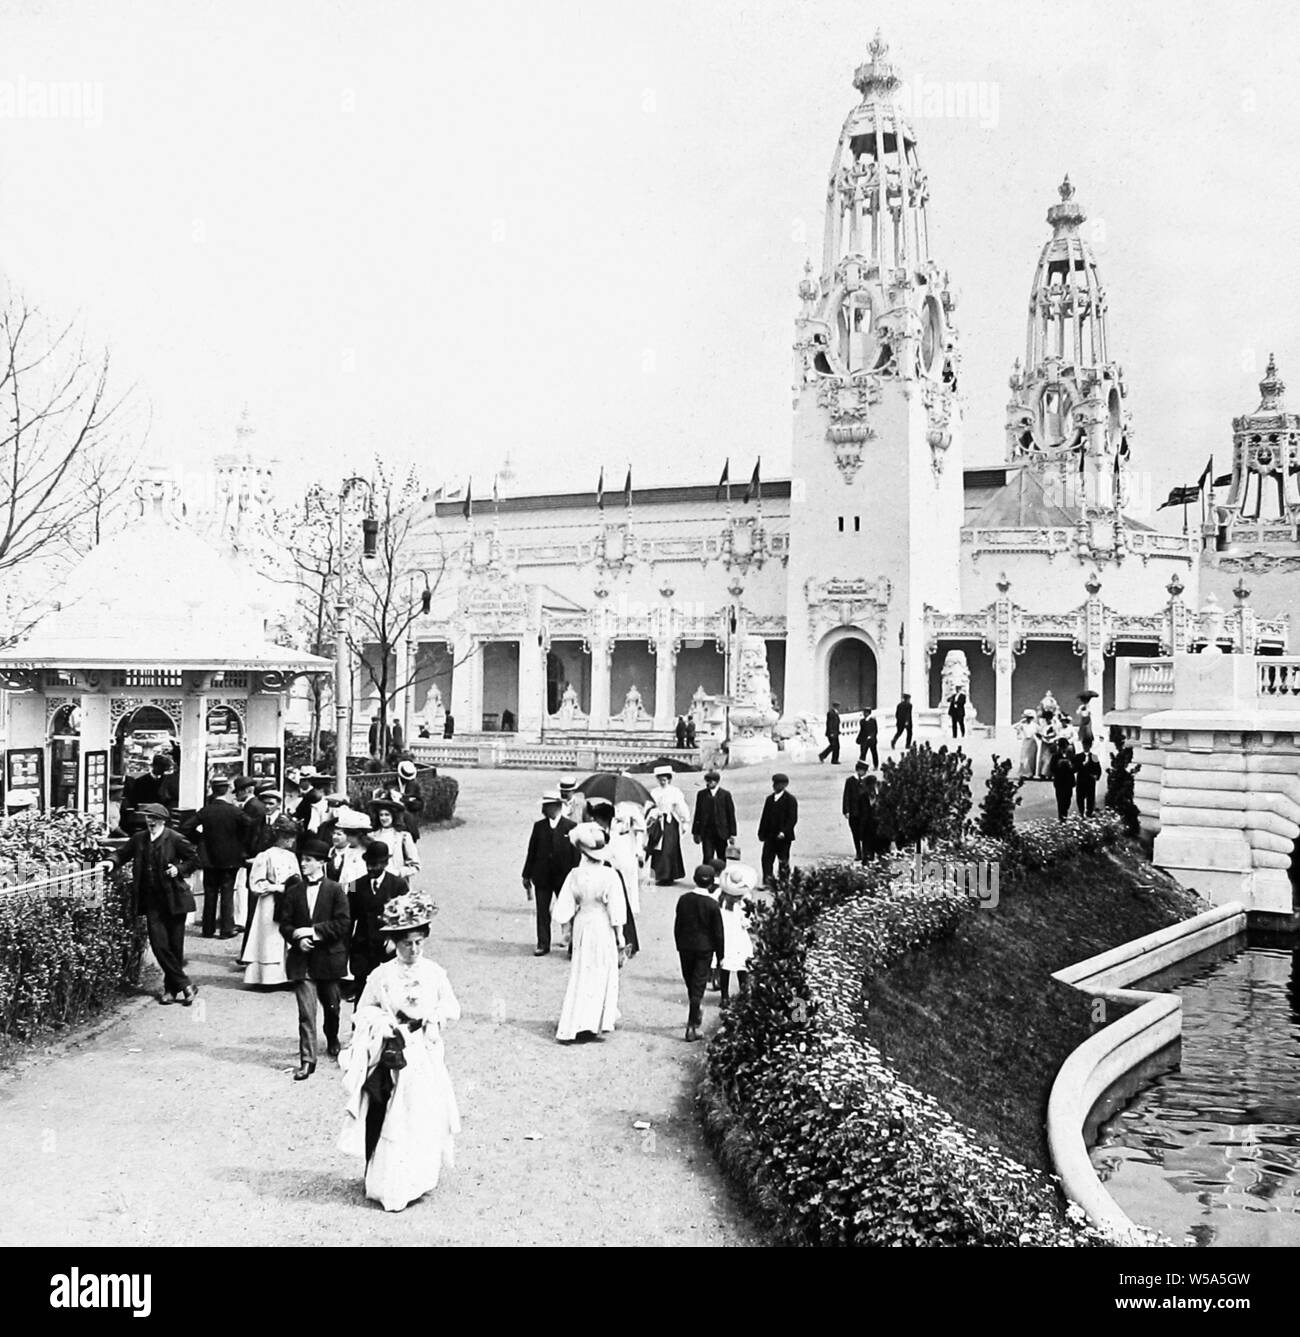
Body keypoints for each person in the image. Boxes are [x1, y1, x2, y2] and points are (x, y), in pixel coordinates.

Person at [339, 892, 460, 1212]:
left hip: (422, 1052)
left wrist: (432, 1018)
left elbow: (451, 1007)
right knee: (391, 1114)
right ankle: (388, 1183)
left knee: (420, 1113)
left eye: (419, 942)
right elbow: (362, 1011)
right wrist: (384, 1024)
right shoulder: (381, 975)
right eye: (407, 943)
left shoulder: (434, 972)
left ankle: (418, 1179)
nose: (413, 949)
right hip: (392, 1053)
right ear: (395, 942)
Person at [105, 803, 200, 1006]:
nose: (150, 822)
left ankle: (170, 990)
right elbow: (122, 853)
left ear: (163, 821)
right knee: (158, 945)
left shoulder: (174, 838)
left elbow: (194, 859)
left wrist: (179, 868)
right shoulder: (139, 839)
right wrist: (111, 862)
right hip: (152, 901)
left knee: (175, 947)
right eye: (148, 818)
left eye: (154, 818)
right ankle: (186, 984)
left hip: (175, 899)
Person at [277, 837, 350, 1080]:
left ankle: (332, 1036)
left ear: (321, 863)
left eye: (308, 860)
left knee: (333, 1007)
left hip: (328, 959)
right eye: (302, 859)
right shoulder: (294, 891)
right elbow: (285, 924)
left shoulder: (335, 890)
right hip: (302, 960)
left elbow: (343, 924)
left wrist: (314, 933)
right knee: (306, 1013)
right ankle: (307, 1060)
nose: (303, 864)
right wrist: (296, 939)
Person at [552, 823, 628, 1043]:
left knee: (582, 970)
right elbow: (616, 909)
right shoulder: (610, 875)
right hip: (602, 924)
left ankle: (578, 1020)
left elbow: (565, 905)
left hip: (583, 923)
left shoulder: (575, 874)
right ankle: (596, 1021)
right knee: (602, 969)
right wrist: (620, 936)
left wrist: (566, 929)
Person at [182, 775, 254, 939]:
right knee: (227, 892)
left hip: (209, 857)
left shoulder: (206, 811)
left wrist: (200, 840)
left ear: (212, 790)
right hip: (230, 858)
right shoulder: (235, 811)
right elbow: (249, 825)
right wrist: (239, 842)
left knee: (210, 892)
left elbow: (186, 827)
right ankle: (226, 929)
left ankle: (208, 928)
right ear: (227, 789)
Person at [241, 816, 299, 987]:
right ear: (281, 837)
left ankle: (285, 975)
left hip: (288, 901)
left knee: (285, 936)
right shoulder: (265, 856)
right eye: (289, 836)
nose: (292, 841)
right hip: (269, 903)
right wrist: (274, 887)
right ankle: (265, 977)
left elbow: (297, 878)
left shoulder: (291, 857)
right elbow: (255, 883)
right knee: (269, 937)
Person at [349, 843, 409, 1004]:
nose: (370, 868)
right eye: (368, 864)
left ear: (385, 864)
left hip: (386, 948)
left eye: (375, 865)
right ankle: (359, 1028)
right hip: (362, 948)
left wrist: (394, 940)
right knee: (362, 994)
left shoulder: (399, 885)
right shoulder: (354, 885)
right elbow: (348, 917)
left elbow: (405, 919)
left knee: (389, 993)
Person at [521, 792, 579, 956]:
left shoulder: (571, 826)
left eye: (546, 806)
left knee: (569, 910)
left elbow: (576, 855)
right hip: (542, 876)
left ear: (557, 806)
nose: (543, 809)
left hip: (564, 877)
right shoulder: (539, 826)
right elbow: (531, 851)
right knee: (542, 910)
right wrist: (526, 874)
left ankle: (572, 944)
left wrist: (575, 877)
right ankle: (543, 943)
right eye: (543, 806)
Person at [674, 865, 726, 1042]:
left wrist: (679, 944)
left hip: (685, 947)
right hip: (704, 949)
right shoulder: (712, 904)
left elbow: (677, 925)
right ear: (712, 883)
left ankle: (695, 1012)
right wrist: (720, 956)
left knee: (690, 982)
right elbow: (718, 933)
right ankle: (692, 1025)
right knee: (698, 985)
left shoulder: (684, 899)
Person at [585, 797, 639, 957]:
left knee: (618, 909)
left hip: (612, 874)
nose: (595, 822)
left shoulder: (615, 836)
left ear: (604, 820)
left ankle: (626, 941)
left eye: (597, 819)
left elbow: (620, 860)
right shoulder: (598, 834)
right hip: (601, 872)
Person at [717, 863, 757, 1006]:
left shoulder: (720, 898)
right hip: (739, 935)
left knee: (725, 966)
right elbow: (747, 923)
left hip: (725, 934)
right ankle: (743, 993)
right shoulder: (744, 901)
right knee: (742, 965)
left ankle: (724, 996)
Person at [646, 765, 690, 885]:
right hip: (658, 820)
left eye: (664, 779)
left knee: (669, 847)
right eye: (660, 779)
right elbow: (650, 806)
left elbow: (681, 806)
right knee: (657, 848)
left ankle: (669, 875)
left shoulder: (675, 791)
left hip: (670, 822)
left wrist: (685, 820)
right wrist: (652, 815)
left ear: (669, 779)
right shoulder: (654, 792)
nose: (662, 781)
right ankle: (660, 875)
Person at [757, 772, 798, 887]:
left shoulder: (790, 800)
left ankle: (783, 881)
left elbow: (792, 818)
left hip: (783, 837)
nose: (775, 786)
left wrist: (784, 831)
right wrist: (761, 832)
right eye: (774, 783)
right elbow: (764, 817)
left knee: (783, 859)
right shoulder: (770, 799)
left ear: (785, 785)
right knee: (766, 858)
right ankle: (768, 881)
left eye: (779, 784)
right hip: (770, 835)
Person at [691, 769, 737, 864]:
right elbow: (698, 814)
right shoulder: (701, 795)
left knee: (721, 857)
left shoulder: (725, 795)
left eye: (710, 781)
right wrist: (695, 832)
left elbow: (731, 814)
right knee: (707, 857)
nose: (708, 783)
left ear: (716, 782)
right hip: (707, 832)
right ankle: (708, 877)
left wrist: (732, 834)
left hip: (722, 833)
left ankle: (721, 877)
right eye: (707, 781)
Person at [368, 800, 421, 878]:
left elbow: (415, 865)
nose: (383, 818)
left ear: (393, 816)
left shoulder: (403, 836)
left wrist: (399, 873)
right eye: (381, 815)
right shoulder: (371, 837)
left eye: (387, 815)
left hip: (397, 883)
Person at [327, 809, 374, 887]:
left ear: (358, 835)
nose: (347, 839)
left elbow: (359, 877)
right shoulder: (349, 850)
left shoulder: (366, 852)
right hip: (349, 891)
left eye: (349, 835)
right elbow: (345, 876)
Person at [842, 761, 871, 861]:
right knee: (855, 833)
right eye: (863, 770)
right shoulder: (850, 781)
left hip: (865, 812)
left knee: (865, 833)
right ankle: (858, 852)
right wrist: (846, 810)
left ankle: (865, 852)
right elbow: (846, 796)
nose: (864, 772)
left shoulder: (867, 781)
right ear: (858, 770)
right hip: (854, 812)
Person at [1049, 740, 1076, 822]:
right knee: (1060, 800)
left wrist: (1070, 766)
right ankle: (1062, 817)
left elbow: (1075, 768)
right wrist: (1059, 765)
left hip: (1069, 781)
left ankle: (1065, 812)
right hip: (1060, 781)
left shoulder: (1071, 756)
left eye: (1065, 747)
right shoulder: (1055, 756)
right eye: (1062, 747)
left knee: (1068, 799)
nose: (1064, 749)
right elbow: (1052, 768)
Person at [859, 773, 883, 859]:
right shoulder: (863, 797)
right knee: (867, 855)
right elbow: (861, 815)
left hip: (879, 829)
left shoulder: (881, 797)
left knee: (881, 854)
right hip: (867, 829)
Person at [1074, 744, 1102, 816]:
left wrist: (1096, 776)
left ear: (1089, 747)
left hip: (1090, 780)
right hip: (1081, 780)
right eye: (1085, 746)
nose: (1086, 747)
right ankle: (1081, 811)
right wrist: (1082, 764)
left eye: (1087, 746)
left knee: (1090, 797)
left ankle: (1089, 812)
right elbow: (1075, 768)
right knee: (1080, 797)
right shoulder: (1078, 756)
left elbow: (1098, 768)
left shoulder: (1094, 756)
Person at [1015, 709, 1041, 780]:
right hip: (1026, 741)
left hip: (1032, 741)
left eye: (1029, 718)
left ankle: (1030, 773)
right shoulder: (1023, 725)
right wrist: (1021, 721)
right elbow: (1015, 727)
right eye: (1027, 718)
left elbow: (1040, 731)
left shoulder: (1035, 725)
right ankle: (1024, 772)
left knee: (1031, 758)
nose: (1028, 719)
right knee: (1024, 758)